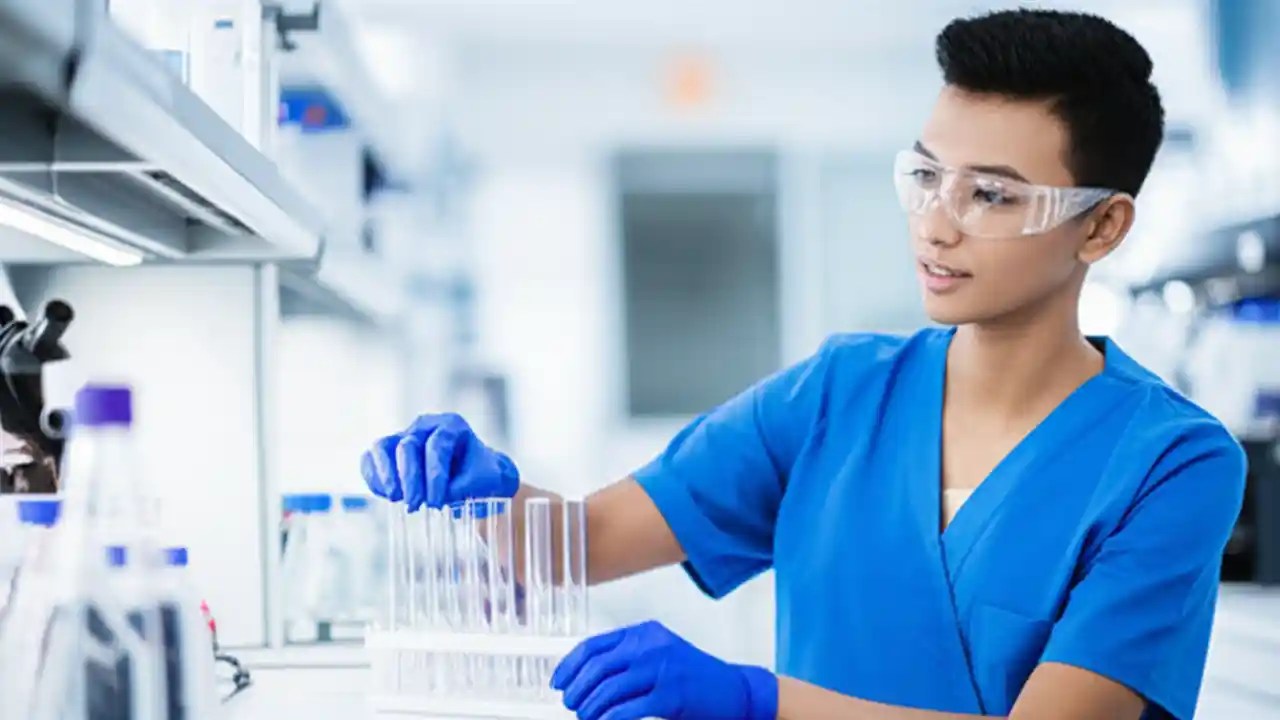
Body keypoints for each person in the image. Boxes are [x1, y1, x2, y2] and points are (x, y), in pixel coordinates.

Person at [362, 9, 1245, 720]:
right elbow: (585, 543)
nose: (938, 223)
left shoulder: (1173, 463)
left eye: (991, 195)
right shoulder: (838, 395)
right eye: (928, 177)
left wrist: (756, 700)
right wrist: (484, 492)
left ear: (1103, 226)